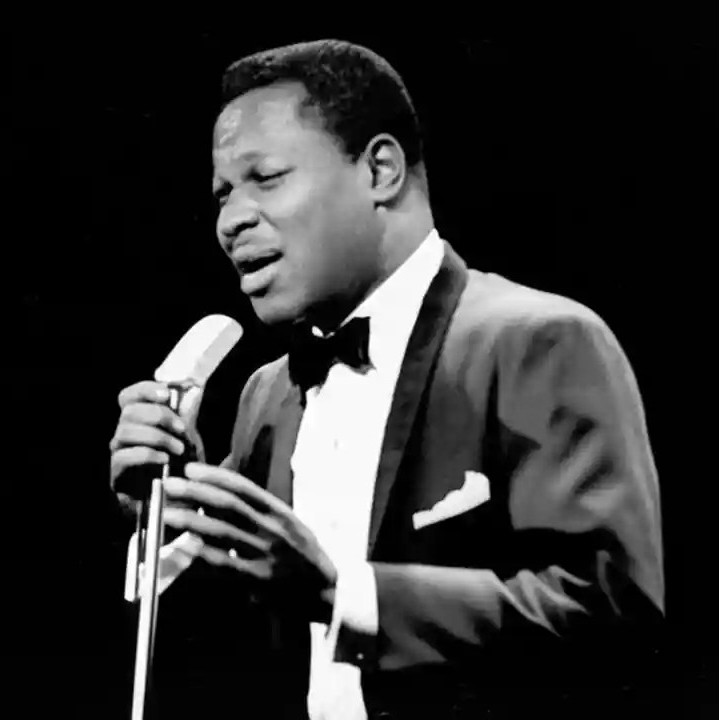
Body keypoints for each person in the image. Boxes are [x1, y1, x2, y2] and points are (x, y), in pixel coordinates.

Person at [109, 39, 664, 720]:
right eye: (223, 193)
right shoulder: (266, 396)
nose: (230, 220)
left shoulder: (537, 342)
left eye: (267, 177)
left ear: (380, 169)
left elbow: (611, 615)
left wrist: (343, 594)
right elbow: (225, 641)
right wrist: (172, 506)